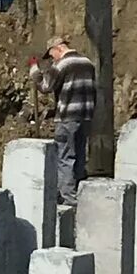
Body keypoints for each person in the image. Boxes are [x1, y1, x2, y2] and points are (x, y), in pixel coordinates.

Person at [28, 35, 97, 205]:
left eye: (52, 55)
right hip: (86, 116)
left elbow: (45, 86)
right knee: (80, 156)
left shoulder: (62, 64)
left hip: (67, 117)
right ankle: (80, 195)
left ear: (58, 48)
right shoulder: (87, 62)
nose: (52, 59)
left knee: (65, 158)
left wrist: (34, 70)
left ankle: (69, 200)